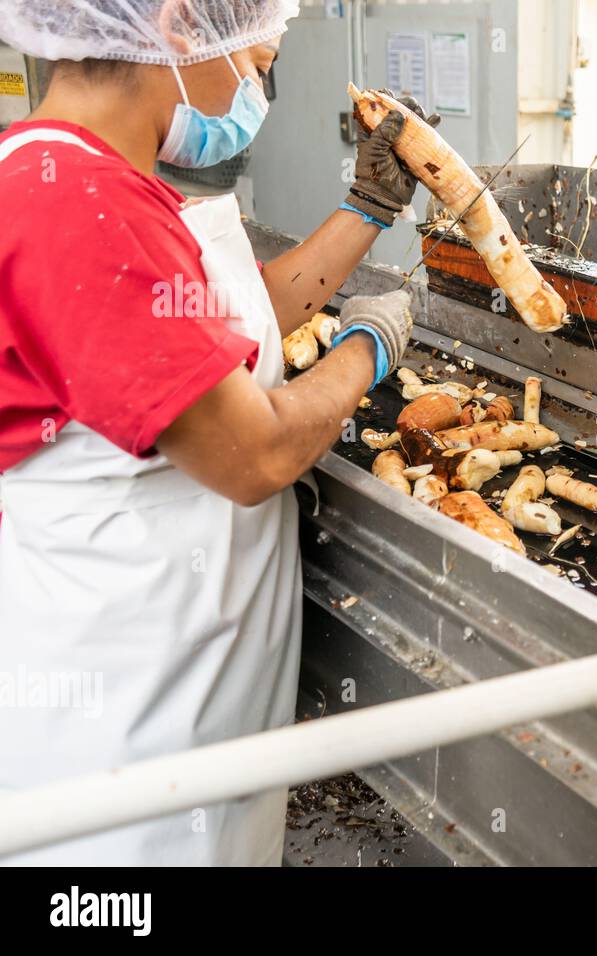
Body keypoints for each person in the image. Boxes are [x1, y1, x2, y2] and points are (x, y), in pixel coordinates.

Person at [0, 0, 427, 864]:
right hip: (127, 751)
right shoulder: (74, 208)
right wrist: (365, 350)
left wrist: (370, 206)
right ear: (179, 27)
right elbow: (257, 450)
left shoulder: (85, 177)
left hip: (182, 708)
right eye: (258, 60)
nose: (258, 87)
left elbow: (221, 324)